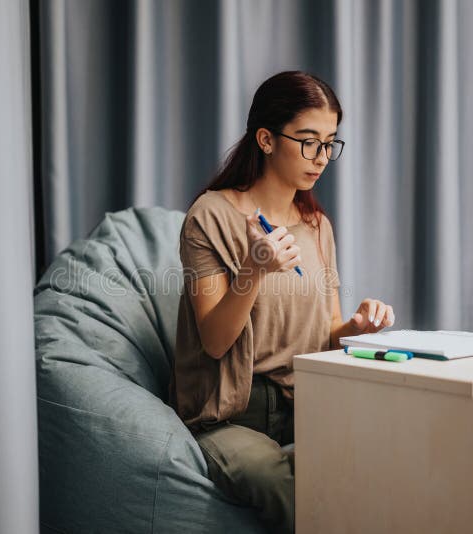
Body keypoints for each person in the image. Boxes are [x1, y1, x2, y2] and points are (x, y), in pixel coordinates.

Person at [169, 71, 394, 533]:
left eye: (330, 143)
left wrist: (358, 326)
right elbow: (214, 341)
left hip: (304, 402)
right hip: (229, 415)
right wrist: (253, 269)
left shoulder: (316, 224)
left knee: (383, 460)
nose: (322, 158)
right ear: (266, 139)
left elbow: (328, 331)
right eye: (308, 141)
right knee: (282, 483)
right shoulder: (210, 217)